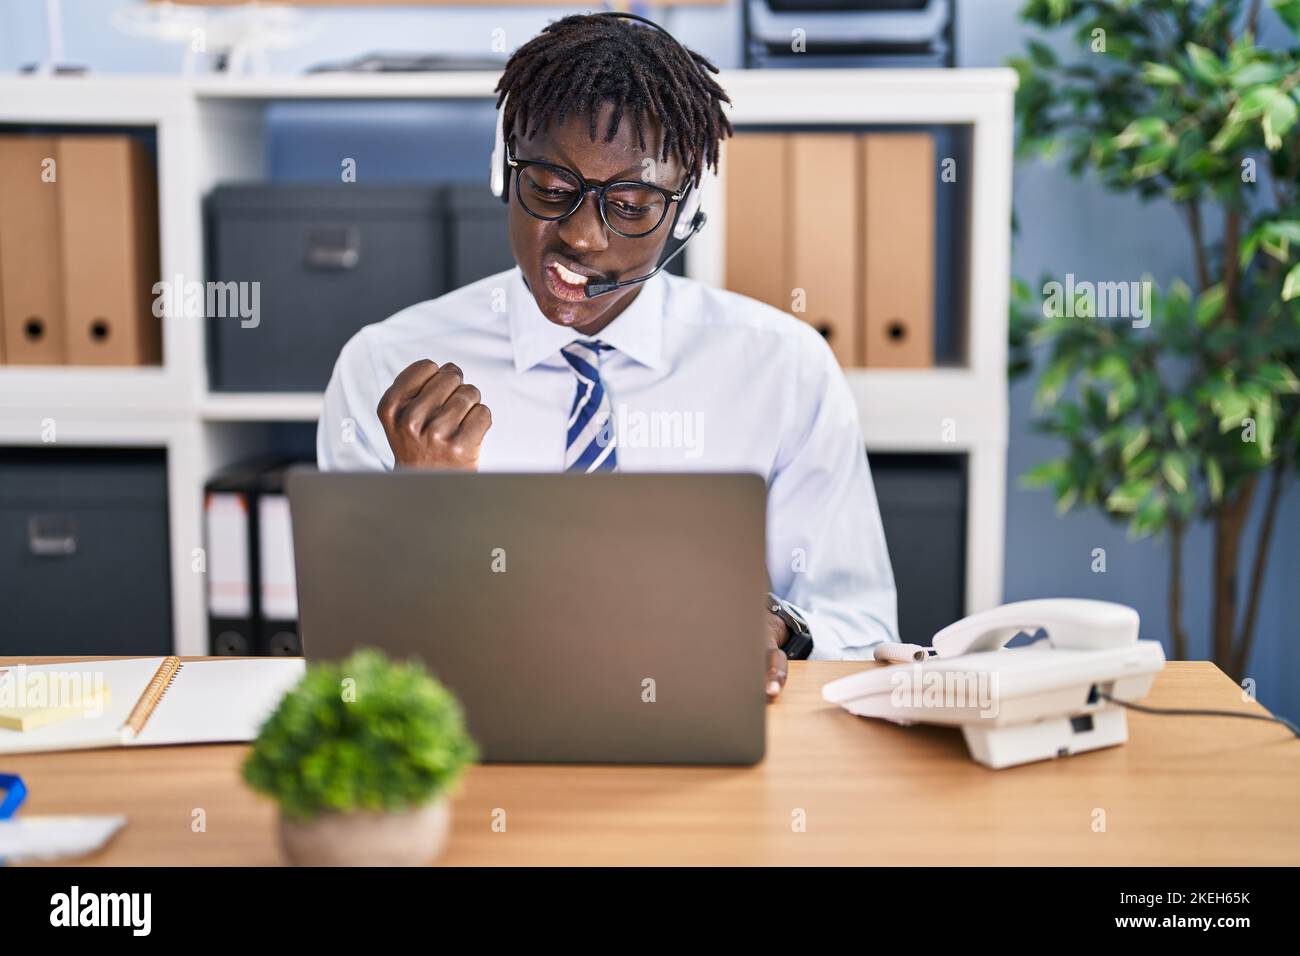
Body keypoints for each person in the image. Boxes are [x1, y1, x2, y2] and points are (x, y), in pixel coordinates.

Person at [318, 12, 898, 699]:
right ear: (505, 176)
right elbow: (353, 672)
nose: (583, 238)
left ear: (684, 215)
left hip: (706, 740)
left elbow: (859, 627)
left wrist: (779, 628)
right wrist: (426, 510)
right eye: (552, 190)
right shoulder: (386, 368)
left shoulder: (784, 368)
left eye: (630, 204)